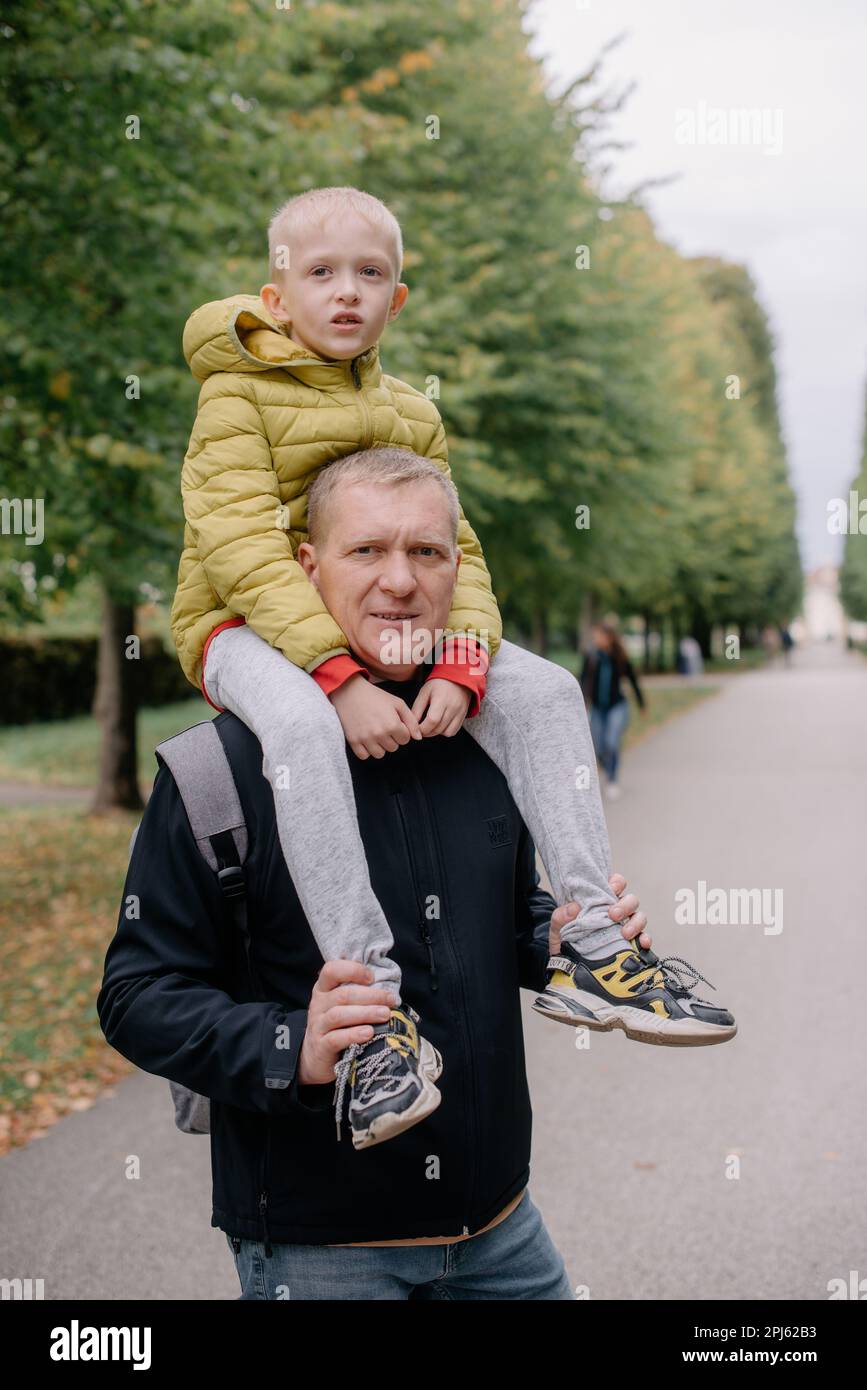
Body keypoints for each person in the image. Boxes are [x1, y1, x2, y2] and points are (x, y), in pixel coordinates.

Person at [169, 187, 736, 1152]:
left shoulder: (408, 413)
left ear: (398, 300)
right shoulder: (234, 392)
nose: (345, 292)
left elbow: (455, 555)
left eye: (370, 274)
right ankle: (375, 1020)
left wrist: (465, 665)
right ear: (276, 293)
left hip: (374, 625)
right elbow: (234, 544)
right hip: (242, 624)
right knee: (301, 728)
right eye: (320, 273)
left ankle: (597, 943)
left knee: (548, 690)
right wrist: (338, 675)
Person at [97, 461, 656, 1299]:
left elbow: (497, 921)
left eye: (426, 552)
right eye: (366, 550)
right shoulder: (219, 770)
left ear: (456, 569)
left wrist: (552, 939)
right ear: (305, 567)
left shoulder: (481, 740)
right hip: (319, 1247)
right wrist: (296, 1047)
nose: (400, 581)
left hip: (499, 1227)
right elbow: (136, 995)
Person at [580, 622, 646, 800]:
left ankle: (612, 779)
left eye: (599, 636)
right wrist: (582, 702)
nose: (596, 639)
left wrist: (642, 704)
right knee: (597, 746)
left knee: (611, 742)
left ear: (608, 638)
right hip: (598, 708)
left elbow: (633, 681)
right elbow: (583, 680)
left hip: (617, 706)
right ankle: (607, 769)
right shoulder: (592, 656)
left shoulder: (620, 657)